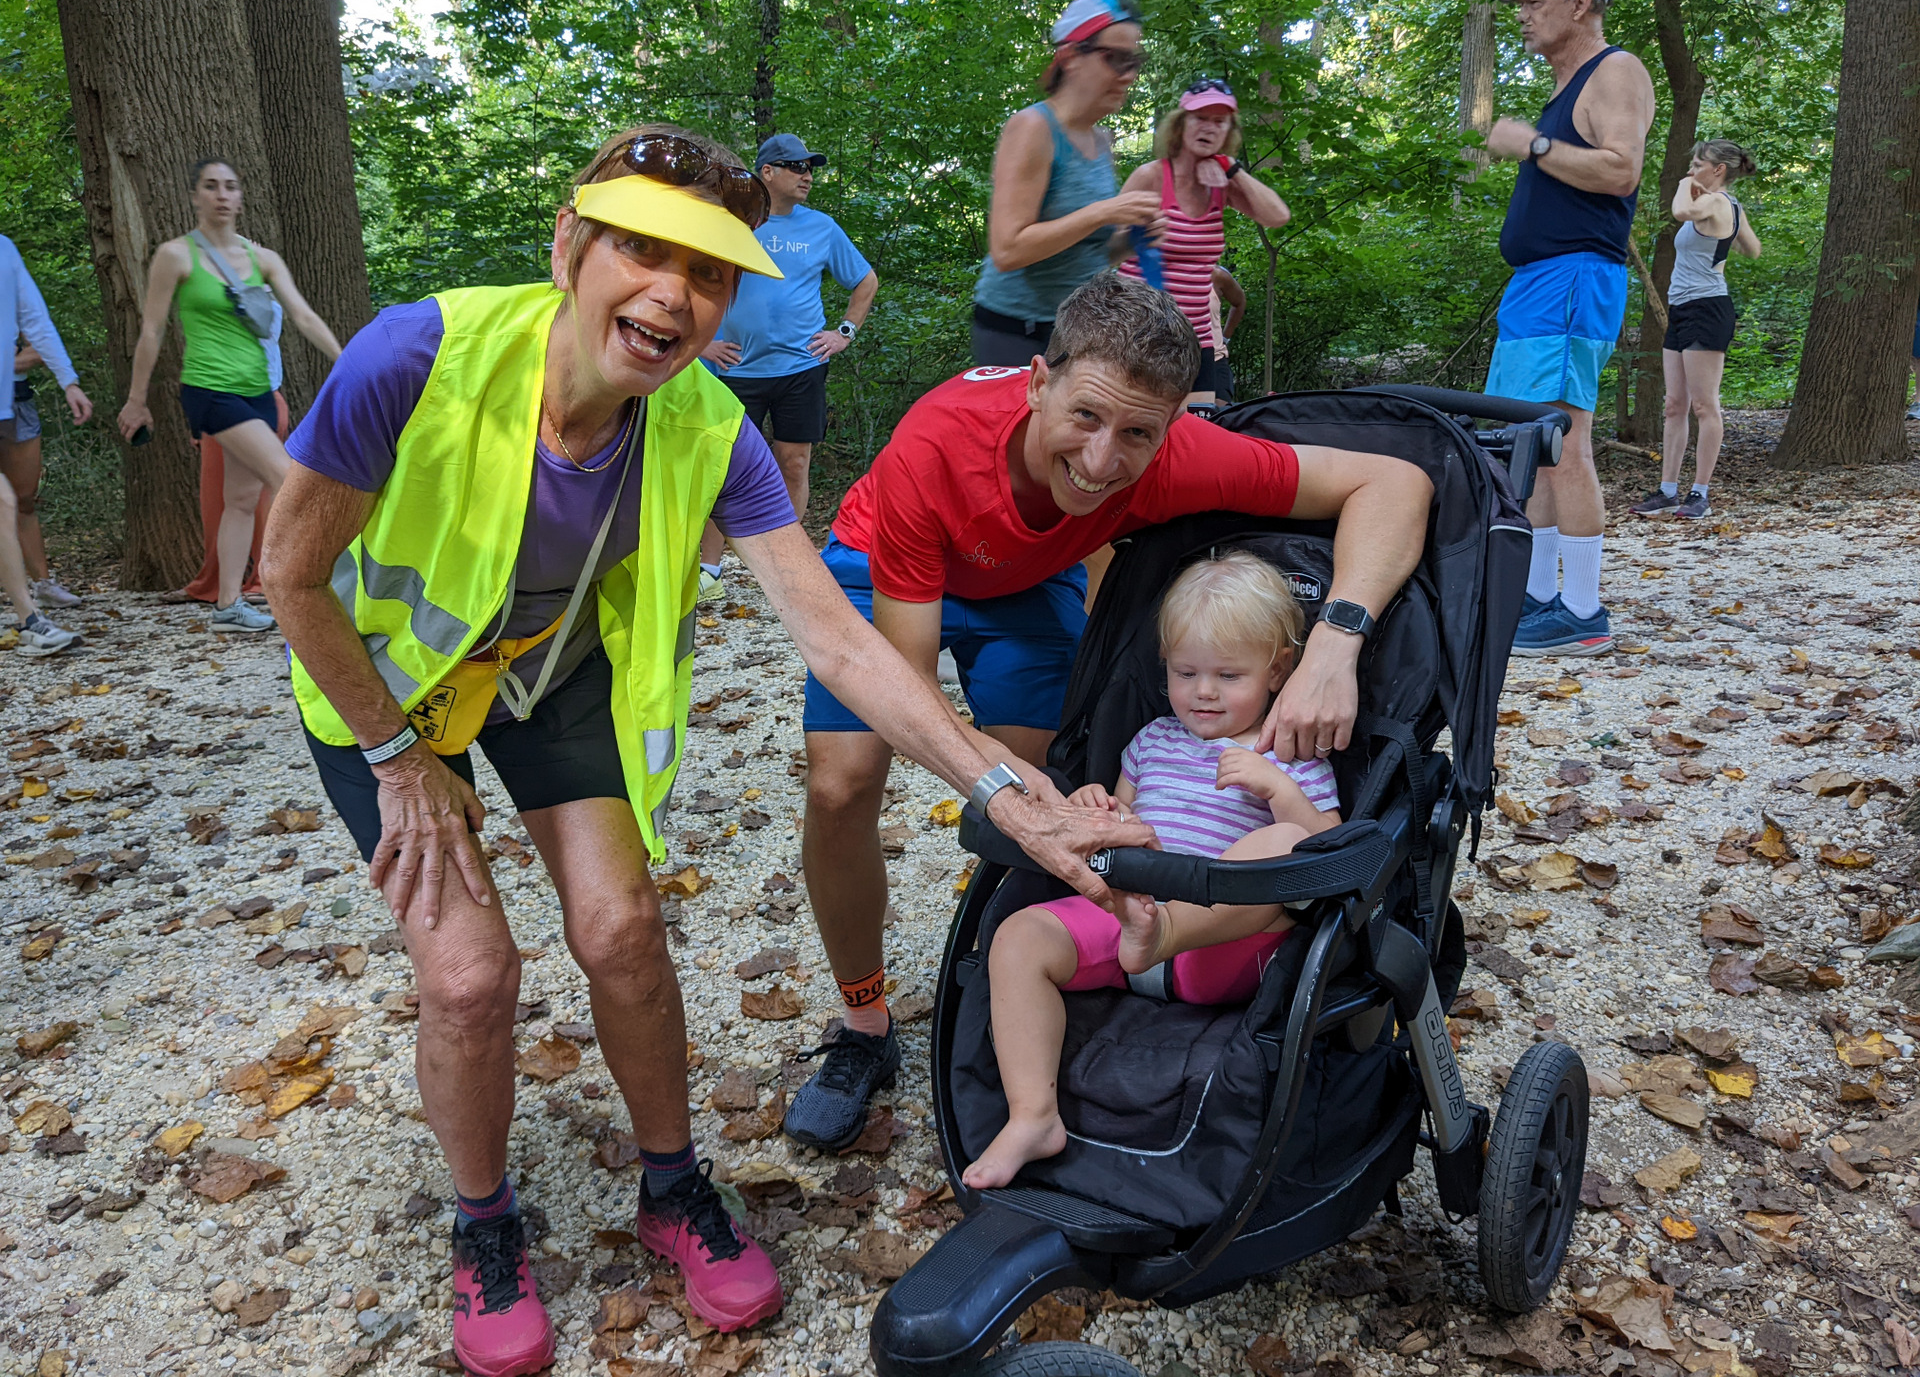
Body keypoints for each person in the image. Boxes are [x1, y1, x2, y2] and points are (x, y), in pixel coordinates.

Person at [259, 124, 1145, 1377]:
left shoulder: (708, 427)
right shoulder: (421, 353)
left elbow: (839, 643)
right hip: (381, 696)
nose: (674, 293)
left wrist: (1007, 787)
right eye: (643, 249)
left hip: (544, 678)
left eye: (711, 272)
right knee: (467, 978)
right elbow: (289, 574)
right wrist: (401, 756)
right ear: (570, 247)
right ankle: (484, 1225)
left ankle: (673, 1188)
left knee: (621, 930)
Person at [788, 271, 1433, 1152]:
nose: (1102, 461)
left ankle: (1054, 994)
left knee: (1046, 792)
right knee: (844, 779)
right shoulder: (933, 447)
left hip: (1026, 578)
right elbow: (911, 700)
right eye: (1085, 418)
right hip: (890, 560)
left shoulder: (1179, 455)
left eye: (1137, 433)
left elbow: (1393, 484)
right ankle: (864, 1026)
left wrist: (1333, 642)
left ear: (1172, 425)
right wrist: (1004, 792)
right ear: (1036, 382)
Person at [962, 550, 1342, 1189]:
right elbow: (1123, 824)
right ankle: (1034, 1114)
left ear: (1278, 672)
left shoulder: (1291, 755)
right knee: (1017, 937)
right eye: (1186, 672)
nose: (1203, 692)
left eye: (1228, 675)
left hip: (1222, 945)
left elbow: (1329, 852)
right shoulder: (1150, 741)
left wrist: (1278, 791)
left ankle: (1165, 932)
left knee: (1281, 841)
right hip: (1123, 920)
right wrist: (1096, 808)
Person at [1482, 0, 1653, 657]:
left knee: (1565, 441)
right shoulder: (1567, 85)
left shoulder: (1615, 69)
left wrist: (1535, 143)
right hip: (1541, 282)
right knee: (1535, 442)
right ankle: (1543, 596)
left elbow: (1621, 169)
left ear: (1580, 2)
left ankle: (1583, 611)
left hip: (1574, 276)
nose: (1522, 13)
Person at [118, 159, 340, 633]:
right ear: (195, 196)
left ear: (241, 198)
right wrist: (137, 400)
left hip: (258, 391)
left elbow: (302, 317)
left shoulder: (263, 260)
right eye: (211, 186)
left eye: (230, 187)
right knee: (289, 481)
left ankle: (226, 608)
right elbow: (152, 332)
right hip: (210, 391)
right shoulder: (176, 256)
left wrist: (347, 361)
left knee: (240, 501)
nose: (221, 195)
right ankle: (314, 592)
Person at [697, 132, 876, 602]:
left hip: (800, 367)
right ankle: (709, 569)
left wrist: (844, 334)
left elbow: (865, 281)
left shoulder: (821, 228)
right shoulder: (733, 223)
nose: (807, 175)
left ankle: (787, 568)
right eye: (796, 166)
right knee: (721, 467)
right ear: (768, 172)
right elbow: (690, 277)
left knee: (794, 462)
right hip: (734, 371)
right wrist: (702, 344)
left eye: (810, 167)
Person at [971, 0, 1165, 366]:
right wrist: (1104, 212)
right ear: (1072, 56)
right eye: (1116, 58)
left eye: (1135, 61)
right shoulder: (1032, 128)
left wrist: (1131, 240)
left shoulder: (1099, 140)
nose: (1129, 75)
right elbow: (1008, 250)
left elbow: (1086, 251)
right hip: (1017, 331)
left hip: (1080, 328)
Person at [1116, 80, 1289, 404]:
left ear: (1228, 131)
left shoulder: (1222, 184)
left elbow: (1277, 216)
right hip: (1137, 335)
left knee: (1195, 438)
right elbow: (1106, 251)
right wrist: (1138, 236)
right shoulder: (1151, 176)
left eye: (1219, 121)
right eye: (1200, 118)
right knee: (1138, 433)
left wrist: (1231, 168)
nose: (1208, 127)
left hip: (1196, 341)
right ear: (1181, 125)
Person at [1630, 140, 1761, 522]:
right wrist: (1725, 239)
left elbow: (1681, 211)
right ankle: (1667, 490)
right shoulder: (1726, 206)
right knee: (1675, 405)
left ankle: (1700, 493)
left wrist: (1685, 185)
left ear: (1718, 170)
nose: (1691, 168)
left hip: (1708, 309)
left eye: (1697, 163)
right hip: (1682, 308)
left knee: (1705, 405)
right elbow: (1751, 248)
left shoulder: (1718, 202)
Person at [2, 237, 93, 648]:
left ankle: (36, 599)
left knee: (17, 499)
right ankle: (30, 620)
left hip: (12, 401)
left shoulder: (5, 251)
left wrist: (69, 381)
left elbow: (35, 322)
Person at [182, 295, 291, 603]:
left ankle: (264, 580)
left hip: (253, 400)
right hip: (219, 401)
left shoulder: (261, 299)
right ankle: (216, 585)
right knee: (218, 497)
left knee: (263, 494)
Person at [1212, 265, 1246, 403]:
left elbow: (1239, 302)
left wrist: (1225, 337)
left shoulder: (1217, 275)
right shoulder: (1155, 274)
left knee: (1219, 417)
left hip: (1213, 358)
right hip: (1171, 363)